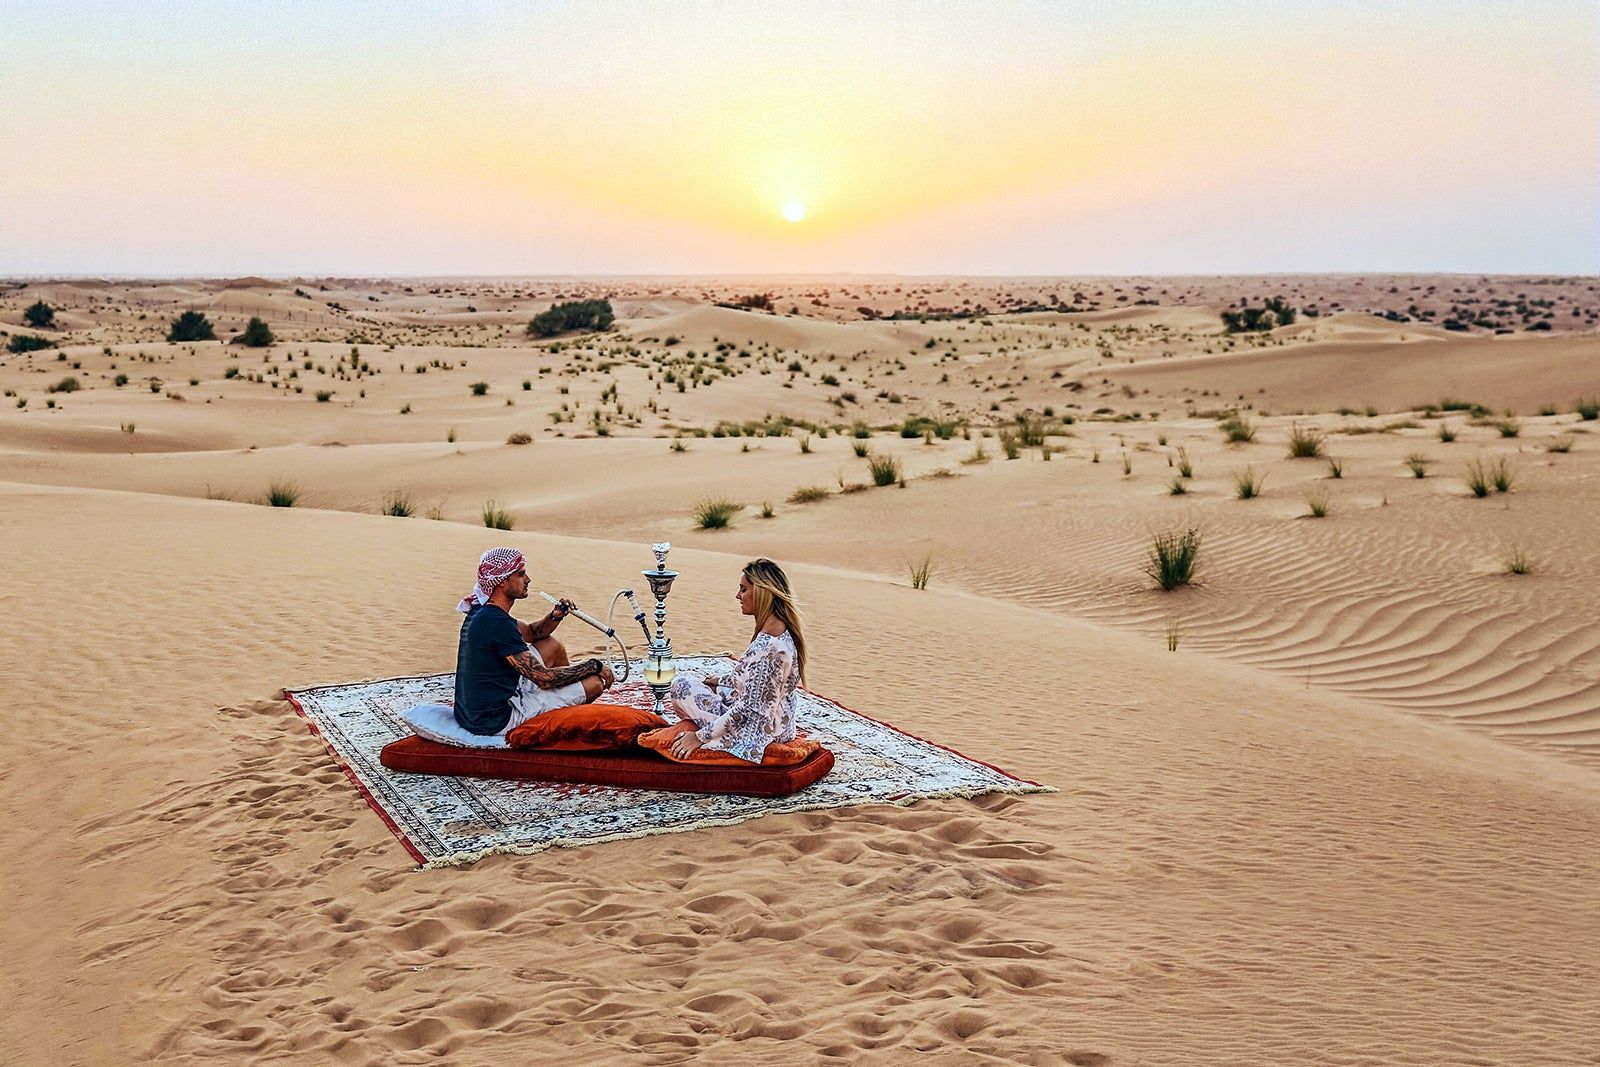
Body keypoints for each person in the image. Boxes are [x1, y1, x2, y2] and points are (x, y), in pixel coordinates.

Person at [453, 547, 614, 737]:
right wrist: (593, 665)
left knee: (551, 646)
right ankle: (562, 724)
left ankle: (564, 699)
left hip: (474, 710)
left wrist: (555, 616)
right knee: (594, 683)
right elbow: (543, 679)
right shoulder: (496, 623)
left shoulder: (481, 610)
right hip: (495, 719)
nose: (528, 579)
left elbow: (532, 632)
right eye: (521, 574)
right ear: (503, 582)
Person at [665, 558, 808, 763]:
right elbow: (759, 685)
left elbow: (751, 708)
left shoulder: (768, 649)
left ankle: (720, 735)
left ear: (761, 592)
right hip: (780, 722)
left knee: (681, 687)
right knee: (707, 687)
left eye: (743, 589)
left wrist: (698, 737)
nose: (738, 596)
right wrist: (722, 681)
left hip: (759, 732)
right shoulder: (781, 631)